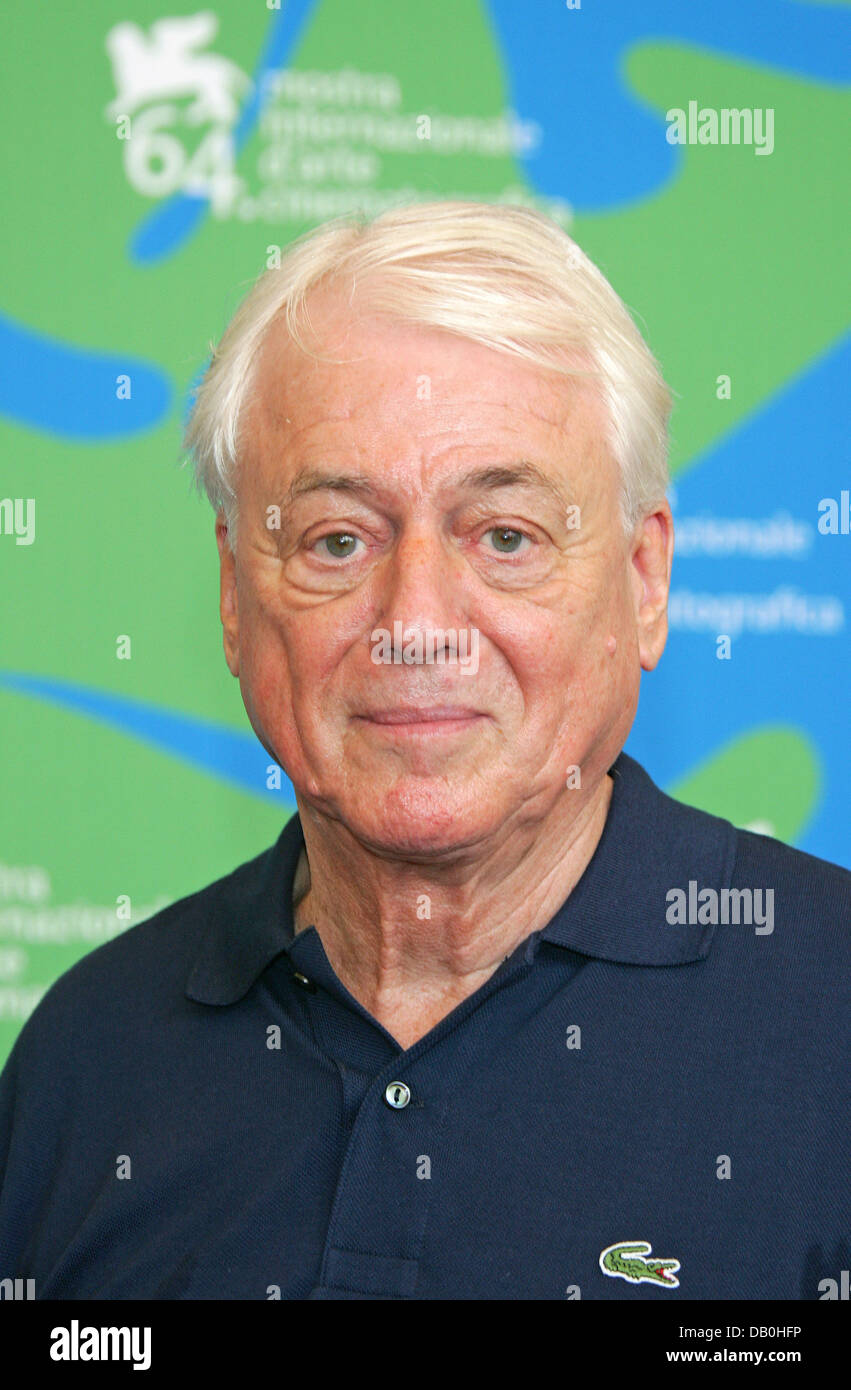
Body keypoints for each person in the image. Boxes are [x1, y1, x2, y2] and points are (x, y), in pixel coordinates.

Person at [0, 202, 847, 1300]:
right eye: (338, 540)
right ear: (231, 594)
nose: (415, 624)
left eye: (505, 536)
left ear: (643, 583)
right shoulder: (88, 1059)